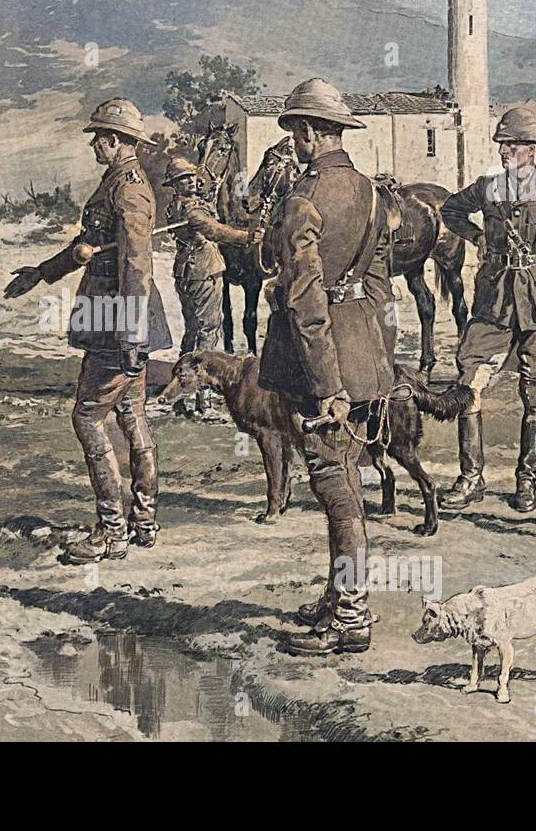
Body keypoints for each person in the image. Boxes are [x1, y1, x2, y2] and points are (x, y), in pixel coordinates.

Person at [3, 98, 172, 564]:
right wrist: (42, 271)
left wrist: (132, 334)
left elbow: (136, 263)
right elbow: (93, 246)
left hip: (115, 317)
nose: (94, 144)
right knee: (133, 417)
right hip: (116, 315)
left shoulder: (129, 189)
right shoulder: (120, 182)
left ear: (115, 141)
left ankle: (111, 531)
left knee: (88, 417)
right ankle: (143, 523)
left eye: (99, 137)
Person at [257, 79, 392, 654]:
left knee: (334, 482)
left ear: (309, 132)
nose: (294, 142)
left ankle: (353, 616)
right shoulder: (369, 189)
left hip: (323, 361)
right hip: (362, 346)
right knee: (346, 475)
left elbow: (307, 302)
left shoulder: (305, 197)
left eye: (295, 132)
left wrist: (328, 384)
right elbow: (382, 280)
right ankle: (342, 597)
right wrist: (377, 354)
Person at [438, 107, 536, 513]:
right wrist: (477, 237)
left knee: (535, 394)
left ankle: (527, 481)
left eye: (515, 145)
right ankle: (471, 477)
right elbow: (451, 210)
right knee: (468, 382)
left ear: (533, 150)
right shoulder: (487, 188)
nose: (507, 151)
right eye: (503, 144)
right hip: (494, 300)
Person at [162, 155, 262, 416]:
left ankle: (181, 396)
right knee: (208, 335)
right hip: (204, 272)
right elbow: (214, 230)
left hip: (186, 272)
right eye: (184, 179)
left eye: (193, 176)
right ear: (175, 184)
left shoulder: (176, 206)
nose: (193, 181)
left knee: (192, 332)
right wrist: (248, 237)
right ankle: (202, 400)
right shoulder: (192, 210)